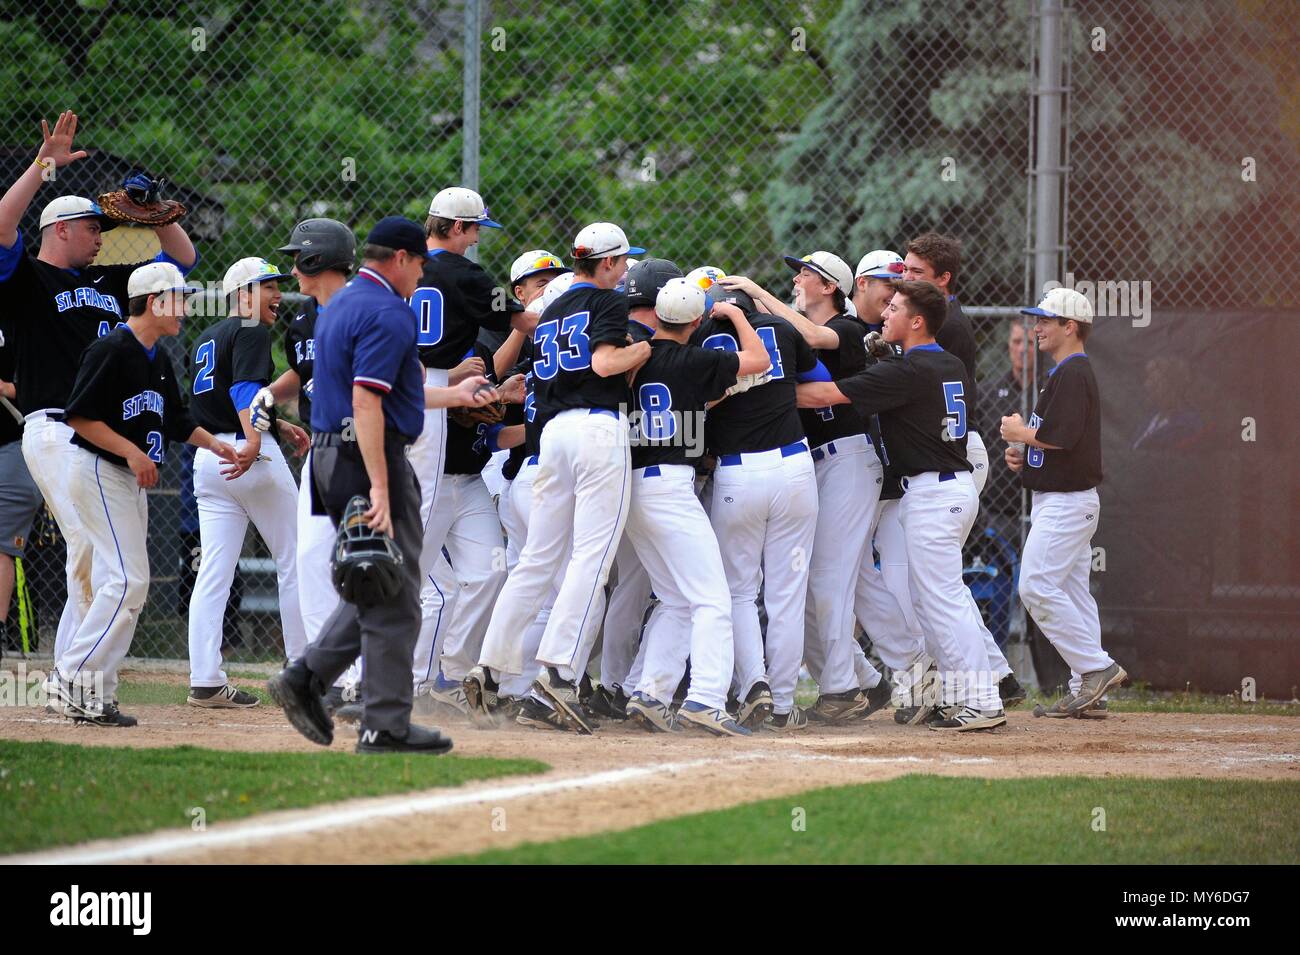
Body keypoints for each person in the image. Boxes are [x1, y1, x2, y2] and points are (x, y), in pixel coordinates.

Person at [267, 215, 495, 754]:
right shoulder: (387, 311)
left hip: (331, 454)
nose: (421, 276)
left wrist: (454, 397)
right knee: (395, 586)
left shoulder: (339, 305)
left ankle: (315, 680)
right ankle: (381, 721)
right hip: (367, 456)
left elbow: (388, 392)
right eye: (419, 264)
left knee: (377, 580)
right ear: (399, 259)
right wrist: (382, 488)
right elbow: (367, 403)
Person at [0, 111, 197, 679]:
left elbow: (182, 260)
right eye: (92, 228)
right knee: (98, 551)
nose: (101, 237)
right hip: (55, 426)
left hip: (98, 435)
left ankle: (74, 674)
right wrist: (43, 168)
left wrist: (155, 211)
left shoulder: (109, 281)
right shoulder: (28, 279)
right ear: (59, 229)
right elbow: (3, 224)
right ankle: (80, 679)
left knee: (87, 554)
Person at [797, 280, 1006, 731]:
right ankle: (961, 693)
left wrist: (769, 393)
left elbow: (827, 395)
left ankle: (983, 700)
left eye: (895, 309)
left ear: (917, 321)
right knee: (935, 601)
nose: (884, 314)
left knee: (943, 600)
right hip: (945, 488)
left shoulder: (909, 370)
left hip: (935, 492)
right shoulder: (947, 363)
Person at [465, 222, 648, 734]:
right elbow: (606, 361)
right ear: (606, 264)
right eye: (621, 262)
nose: (623, 270)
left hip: (550, 441)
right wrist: (642, 351)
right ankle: (558, 674)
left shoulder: (546, 316)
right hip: (596, 432)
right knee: (590, 556)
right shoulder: (605, 301)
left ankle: (490, 666)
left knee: (538, 560)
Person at [54, 263, 237, 725]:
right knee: (126, 581)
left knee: (130, 586)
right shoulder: (112, 348)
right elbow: (80, 417)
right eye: (178, 299)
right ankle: (73, 678)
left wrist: (215, 444)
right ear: (154, 302)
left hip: (124, 478)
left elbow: (175, 419)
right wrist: (134, 454)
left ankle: (96, 691)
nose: (186, 308)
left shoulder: (157, 355)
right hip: (99, 470)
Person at [622, 279, 768, 736]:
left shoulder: (638, 355)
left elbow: (686, 395)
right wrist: (739, 316)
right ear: (697, 321)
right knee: (712, 598)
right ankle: (706, 699)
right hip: (671, 487)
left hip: (633, 488)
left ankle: (652, 693)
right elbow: (760, 360)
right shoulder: (697, 357)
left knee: (675, 598)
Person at [693, 283, 821, 731]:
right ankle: (784, 705)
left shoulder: (700, 340)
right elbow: (811, 372)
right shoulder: (780, 329)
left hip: (737, 473)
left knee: (739, 592)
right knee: (787, 592)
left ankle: (755, 685)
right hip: (796, 468)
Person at [185, 257, 309, 707]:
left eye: (278, 285)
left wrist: (275, 426)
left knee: (213, 571)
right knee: (296, 557)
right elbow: (242, 392)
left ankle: (205, 678)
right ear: (241, 294)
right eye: (266, 286)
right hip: (246, 454)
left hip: (209, 458)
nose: (277, 294)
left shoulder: (204, 336)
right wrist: (257, 439)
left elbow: (222, 397)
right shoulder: (250, 328)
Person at [251, 218, 362, 708]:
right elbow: (302, 373)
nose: (293, 267)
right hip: (321, 451)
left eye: (299, 258)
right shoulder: (303, 322)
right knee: (313, 559)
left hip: (362, 448)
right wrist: (269, 394)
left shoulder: (367, 312)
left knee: (361, 562)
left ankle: (367, 677)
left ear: (318, 260)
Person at [1002, 287, 1125, 717]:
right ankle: (1090, 689)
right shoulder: (1065, 372)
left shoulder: (1072, 371)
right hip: (1064, 498)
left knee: (1034, 585)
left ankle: (1095, 669)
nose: (1037, 328)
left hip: (1067, 502)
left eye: (1045, 321)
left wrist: (1021, 434)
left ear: (1069, 327)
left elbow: (1063, 436)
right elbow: (1056, 441)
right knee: (1072, 593)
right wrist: (1026, 456)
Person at [0, 328, 43, 657]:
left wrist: (5, 387)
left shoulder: (19, 321)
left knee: (2, 543)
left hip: (12, 443)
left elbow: (43, 390)